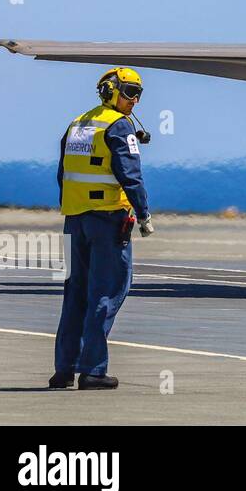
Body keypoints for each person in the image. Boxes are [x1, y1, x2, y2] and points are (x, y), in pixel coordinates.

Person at [49, 67, 155, 390]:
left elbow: (62, 173)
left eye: (138, 93)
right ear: (111, 91)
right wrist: (145, 214)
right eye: (128, 92)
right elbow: (130, 175)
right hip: (108, 221)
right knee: (106, 291)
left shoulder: (78, 124)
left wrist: (74, 207)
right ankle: (94, 370)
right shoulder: (119, 127)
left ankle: (64, 369)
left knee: (75, 293)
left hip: (75, 220)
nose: (134, 100)